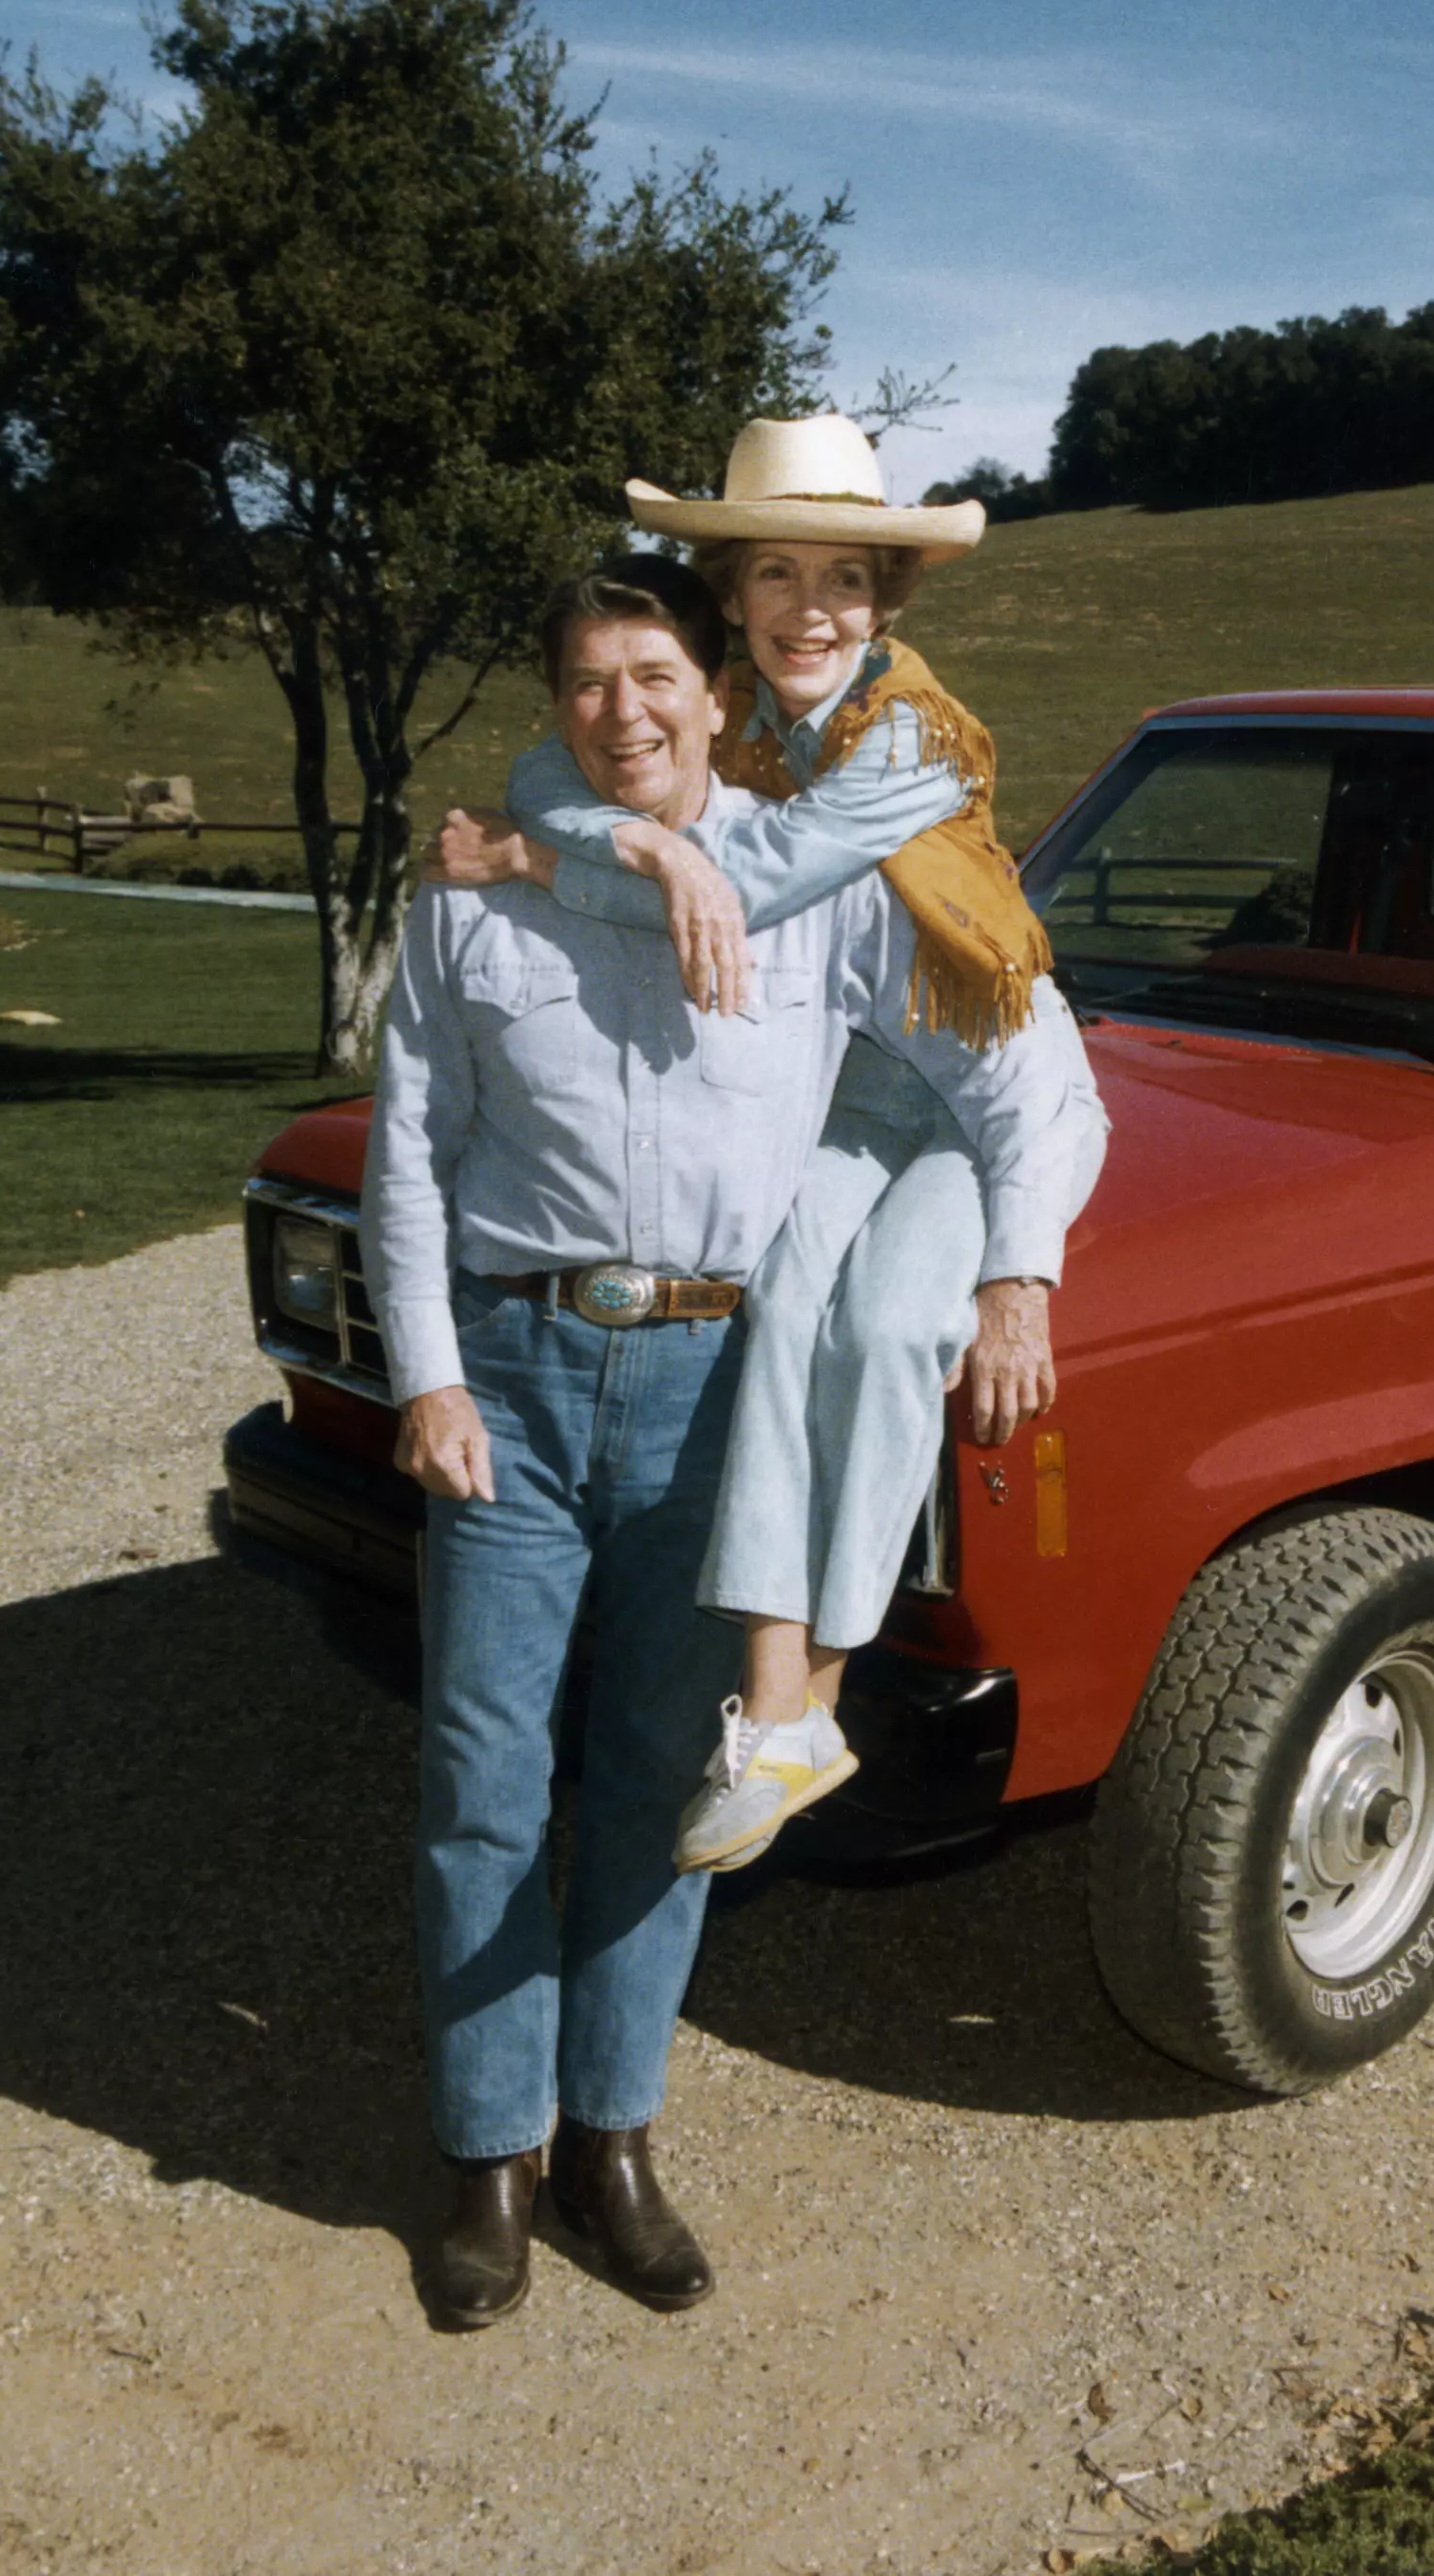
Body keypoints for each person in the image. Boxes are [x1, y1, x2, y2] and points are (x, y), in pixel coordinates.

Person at [366, 552, 1088, 2330]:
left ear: (715, 696)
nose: (627, 710)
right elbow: (406, 1151)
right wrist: (428, 1378)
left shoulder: (828, 895)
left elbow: (1015, 1078)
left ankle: (612, 2142)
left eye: (657, 676)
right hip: (517, 1390)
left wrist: (1015, 1270)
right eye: (592, 683)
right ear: (561, 711)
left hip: (710, 1400)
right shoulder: (472, 897)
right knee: (480, 1784)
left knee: (659, 1791)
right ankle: (487, 2162)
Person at [434, 413, 1103, 1874]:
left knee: (875, 1329)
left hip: (995, 1087)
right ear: (729, 596)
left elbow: (760, 874)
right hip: (861, 1086)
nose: (816, 610)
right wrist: (648, 841)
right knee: (775, 1302)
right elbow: (557, 766)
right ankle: (773, 1701)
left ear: (888, 599)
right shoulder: (730, 709)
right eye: (779, 575)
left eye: (848, 580)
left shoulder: (915, 738)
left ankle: (832, 1694)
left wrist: (1019, 1276)